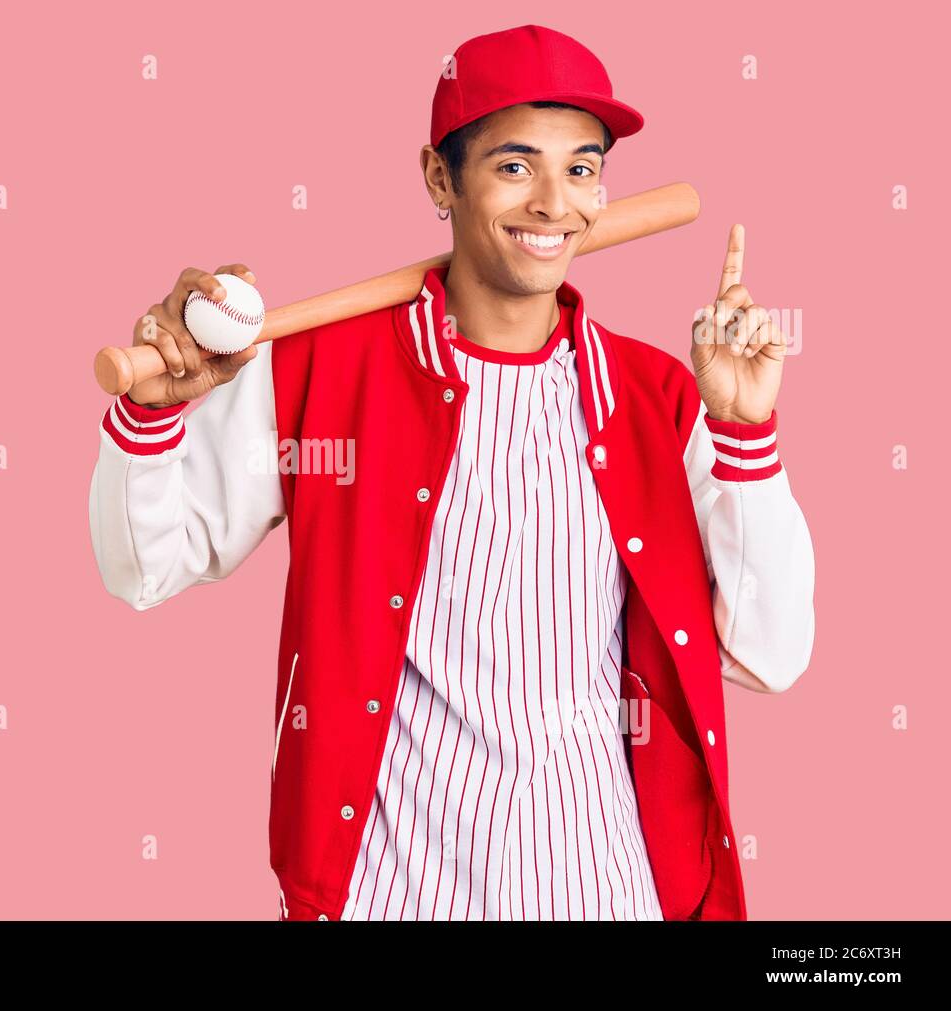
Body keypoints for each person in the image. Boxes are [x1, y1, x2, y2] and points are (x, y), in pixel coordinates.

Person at [89, 24, 814, 921]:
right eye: (516, 167)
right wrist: (153, 412)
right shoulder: (322, 371)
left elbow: (770, 653)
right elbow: (144, 565)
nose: (555, 203)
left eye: (581, 169)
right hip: (390, 898)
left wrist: (745, 430)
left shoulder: (656, 395)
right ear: (440, 178)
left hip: (607, 889)